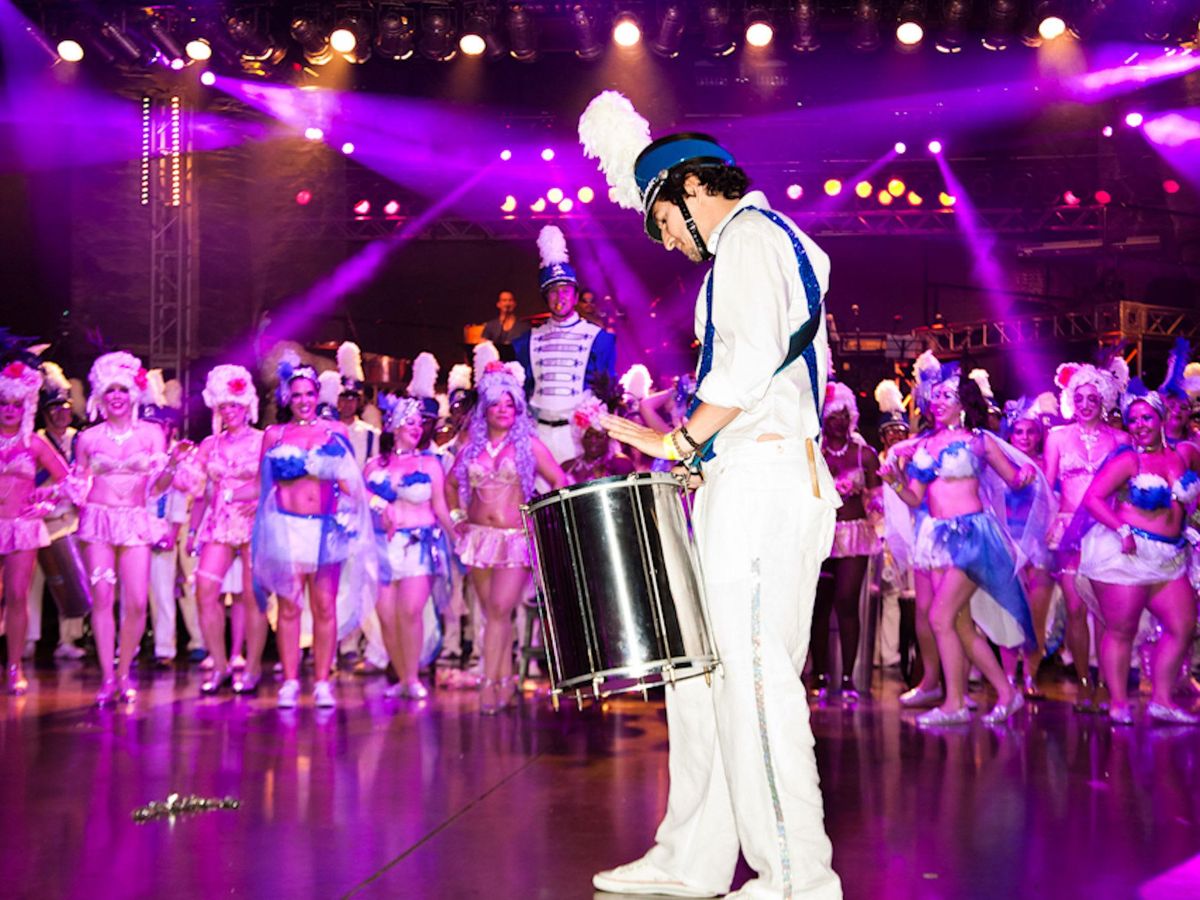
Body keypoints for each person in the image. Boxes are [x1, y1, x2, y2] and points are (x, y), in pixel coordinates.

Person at [580, 90, 842, 899]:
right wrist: (702, 451)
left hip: (763, 484)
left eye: (662, 221)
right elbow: (758, 376)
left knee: (755, 682)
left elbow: (748, 359)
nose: (666, 240)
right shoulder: (761, 244)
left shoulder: (750, 237)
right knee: (703, 677)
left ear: (692, 188)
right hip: (748, 474)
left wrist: (681, 440)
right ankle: (692, 858)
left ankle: (795, 879)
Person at [882, 353, 1045, 728]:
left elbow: (1014, 478)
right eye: (936, 396)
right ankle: (999, 695)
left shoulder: (979, 441)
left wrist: (1025, 475)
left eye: (947, 396)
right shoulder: (925, 445)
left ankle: (958, 702)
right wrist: (893, 480)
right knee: (958, 622)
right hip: (938, 538)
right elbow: (914, 498)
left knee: (940, 616)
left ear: (963, 404)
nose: (937, 401)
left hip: (972, 537)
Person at [252, 352, 376, 709]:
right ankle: (290, 680)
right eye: (297, 395)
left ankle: (322, 681)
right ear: (287, 397)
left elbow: (350, 482)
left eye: (309, 394)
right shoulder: (274, 435)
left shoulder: (335, 431)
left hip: (325, 530)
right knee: (289, 606)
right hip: (286, 529)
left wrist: (376, 506)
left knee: (324, 606)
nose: (304, 401)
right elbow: (263, 486)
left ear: (318, 395)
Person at [1077, 381, 1199, 725]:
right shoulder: (1129, 459)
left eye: (1146, 418)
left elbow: (1190, 497)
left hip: (1170, 557)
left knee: (1183, 625)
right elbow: (1092, 499)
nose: (1140, 425)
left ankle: (1162, 699)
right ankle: (1118, 703)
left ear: (1161, 419)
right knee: (1122, 630)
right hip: (1128, 555)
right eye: (1133, 419)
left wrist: (1192, 526)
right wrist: (1122, 529)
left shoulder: (1183, 455)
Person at [445, 362, 564, 714]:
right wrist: (457, 516)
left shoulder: (529, 445)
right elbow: (450, 485)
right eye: (496, 403)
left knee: (498, 610)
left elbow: (558, 480)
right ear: (485, 408)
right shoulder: (472, 448)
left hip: (515, 539)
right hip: (479, 538)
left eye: (509, 404)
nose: (503, 409)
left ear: (518, 408)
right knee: (492, 613)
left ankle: (489, 683)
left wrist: (541, 517)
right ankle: (505, 679)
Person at [75, 352, 189, 704]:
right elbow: (78, 485)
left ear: (133, 393)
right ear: (100, 394)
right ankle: (108, 677)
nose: (116, 396)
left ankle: (124, 671)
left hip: (136, 521)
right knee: (103, 597)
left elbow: (157, 488)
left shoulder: (151, 434)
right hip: (99, 523)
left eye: (122, 389)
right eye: (110, 390)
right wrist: (61, 494)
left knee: (138, 601)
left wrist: (173, 463)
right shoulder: (88, 438)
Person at [1044, 357, 1129, 709]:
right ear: (1070, 400)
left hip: (1105, 530)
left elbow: (1126, 488)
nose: (1085, 404)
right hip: (1069, 531)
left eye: (1092, 398)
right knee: (1076, 608)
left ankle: (1107, 683)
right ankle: (1083, 682)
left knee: (1105, 612)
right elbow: (1047, 487)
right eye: (1078, 398)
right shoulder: (1057, 437)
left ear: (1104, 400)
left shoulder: (1121, 438)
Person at [365, 396, 455, 700]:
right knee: (387, 617)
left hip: (419, 546)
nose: (417, 428)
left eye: (420, 423)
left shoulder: (430, 464)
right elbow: (356, 496)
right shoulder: (374, 466)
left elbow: (441, 508)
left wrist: (459, 537)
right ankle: (402, 678)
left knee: (410, 611)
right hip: (382, 547)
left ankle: (413, 677)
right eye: (410, 422)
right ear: (394, 426)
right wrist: (380, 504)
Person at [185, 364, 267, 695]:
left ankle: (253, 667)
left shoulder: (263, 440)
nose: (229, 411)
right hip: (219, 523)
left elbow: (271, 484)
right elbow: (197, 492)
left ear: (247, 404)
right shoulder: (210, 445)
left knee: (253, 596)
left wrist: (250, 498)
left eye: (234, 404)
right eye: (223, 405)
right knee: (205, 591)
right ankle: (219, 665)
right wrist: (192, 532)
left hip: (253, 524)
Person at [512, 225, 617, 465]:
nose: (560, 297)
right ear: (545, 297)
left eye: (566, 291)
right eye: (553, 292)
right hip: (538, 435)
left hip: (577, 438)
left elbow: (607, 392)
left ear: (575, 296)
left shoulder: (599, 339)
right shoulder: (527, 341)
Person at [0, 358, 68, 693]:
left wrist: (46, 501)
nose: (10, 410)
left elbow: (68, 480)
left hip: (21, 527)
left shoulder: (34, 443)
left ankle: (14, 667)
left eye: (17, 404)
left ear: (26, 406)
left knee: (17, 595)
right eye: (4, 403)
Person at [810, 381, 880, 703]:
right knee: (818, 606)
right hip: (821, 534)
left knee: (847, 602)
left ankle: (850, 677)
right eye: (832, 415)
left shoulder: (865, 454)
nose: (839, 421)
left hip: (854, 535)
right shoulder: (815, 454)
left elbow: (878, 500)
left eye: (844, 414)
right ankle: (820, 674)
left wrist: (870, 498)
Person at [27, 361, 86, 661]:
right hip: (37, 520)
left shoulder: (79, 439)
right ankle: (27, 639)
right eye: (55, 408)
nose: (61, 413)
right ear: (46, 411)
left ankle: (68, 639)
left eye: (65, 407)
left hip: (67, 519)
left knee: (68, 578)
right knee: (31, 584)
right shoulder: (35, 440)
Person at [1000, 397, 1057, 696]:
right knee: (1010, 614)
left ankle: (1030, 677)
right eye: (1019, 431)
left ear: (1039, 435)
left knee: (1037, 615)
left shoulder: (1049, 465)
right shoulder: (1000, 464)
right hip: (1009, 543)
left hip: (1039, 547)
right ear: (1010, 434)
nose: (1024, 437)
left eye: (1031, 431)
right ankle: (1009, 679)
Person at [562, 393, 635, 484]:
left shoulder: (621, 464)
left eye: (599, 436)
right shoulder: (568, 467)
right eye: (588, 436)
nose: (593, 440)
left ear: (609, 438)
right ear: (580, 438)